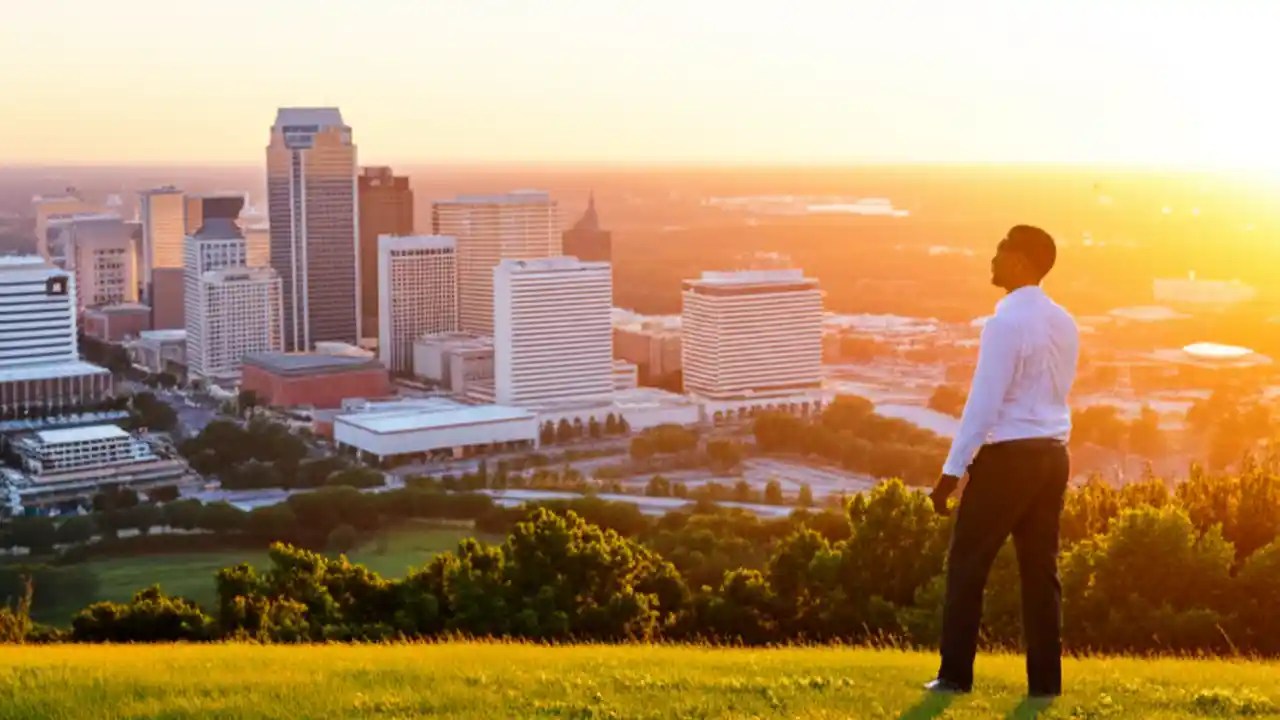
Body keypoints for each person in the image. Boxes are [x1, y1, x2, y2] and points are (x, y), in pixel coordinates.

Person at [924, 225, 1079, 699]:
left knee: (968, 565)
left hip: (1009, 457)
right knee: (1040, 573)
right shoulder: (1065, 322)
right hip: (1053, 457)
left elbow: (983, 404)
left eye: (999, 251)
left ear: (1021, 261)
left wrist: (951, 472)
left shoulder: (1003, 324)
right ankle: (1045, 685)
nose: (991, 259)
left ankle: (954, 676)